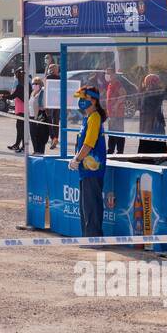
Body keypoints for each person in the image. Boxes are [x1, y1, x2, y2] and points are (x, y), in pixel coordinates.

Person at [68, 85, 108, 236]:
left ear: (93, 99)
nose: (81, 102)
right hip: (86, 170)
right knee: (86, 205)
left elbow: (89, 143)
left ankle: (93, 238)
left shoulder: (95, 118)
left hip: (92, 170)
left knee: (91, 205)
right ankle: (88, 236)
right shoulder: (89, 118)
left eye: (84, 98)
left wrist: (76, 159)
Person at [138, 71, 167, 154]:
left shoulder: (154, 93)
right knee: (151, 144)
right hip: (149, 123)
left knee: (151, 144)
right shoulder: (148, 93)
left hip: (152, 124)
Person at [104, 67, 127, 154]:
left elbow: (123, 94)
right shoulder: (110, 84)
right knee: (111, 133)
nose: (107, 75)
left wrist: (116, 105)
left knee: (119, 133)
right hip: (111, 114)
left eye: (109, 73)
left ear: (113, 75)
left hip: (118, 114)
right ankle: (111, 149)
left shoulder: (117, 84)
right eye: (106, 73)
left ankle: (120, 151)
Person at [9, 67, 26, 153]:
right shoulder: (20, 83)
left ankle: (23, 146)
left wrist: (5, 96)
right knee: (19, 128)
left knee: (21, 129)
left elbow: (14, 95)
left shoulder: (20, 84)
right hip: (19, 108)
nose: (15, 76)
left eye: (16, 74)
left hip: (22, 109)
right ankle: (17, 144)